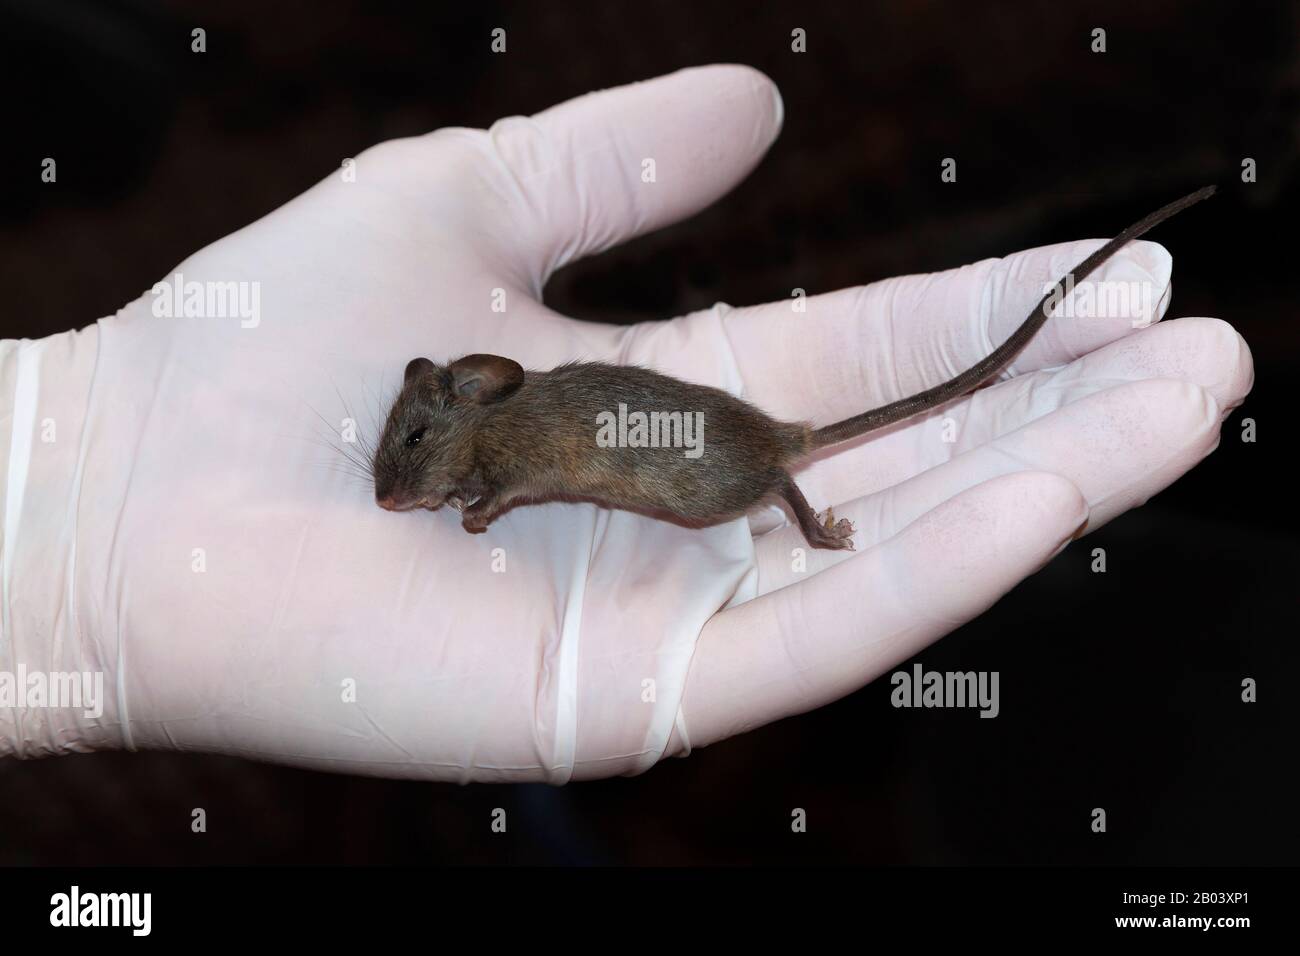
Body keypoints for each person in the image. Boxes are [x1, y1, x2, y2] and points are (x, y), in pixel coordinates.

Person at [0, 65, 1252, 782]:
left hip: (696, 464)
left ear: (458, 422)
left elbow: (530, 474)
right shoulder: (483, 411)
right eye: (404, 464)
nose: (405, 483)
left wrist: (486, 503)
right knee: (757, 458)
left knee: (729, 482)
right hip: (706, 432)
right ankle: (797, 497)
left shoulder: (499, 445)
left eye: (415, 465)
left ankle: (793, 498)